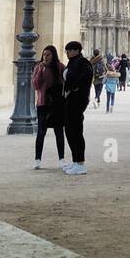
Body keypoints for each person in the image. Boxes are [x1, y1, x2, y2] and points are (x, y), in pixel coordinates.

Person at [32, 45, 66, 168]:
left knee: (59, 132)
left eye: (48, 54)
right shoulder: (38, 67)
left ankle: (61, 159)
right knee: (41, 132)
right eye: (44, 54)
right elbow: (35, 85)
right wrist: (40, 70)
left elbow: (65, 83)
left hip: (57, 105)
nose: (45, 57)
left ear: (53, 55)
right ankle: (37, 159)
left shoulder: (60, 67)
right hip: (43, 103)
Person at [62, 41, 93, 174]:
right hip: (70, 100)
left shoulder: (82, 63)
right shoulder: (73, 62)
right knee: (69, 130)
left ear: (75, 50)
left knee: (76, 131)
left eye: (68, 50)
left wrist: (73, 89)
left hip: (77, 101)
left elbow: (84, 80)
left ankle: (80, 163)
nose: (67, 53)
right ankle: (75, 161)